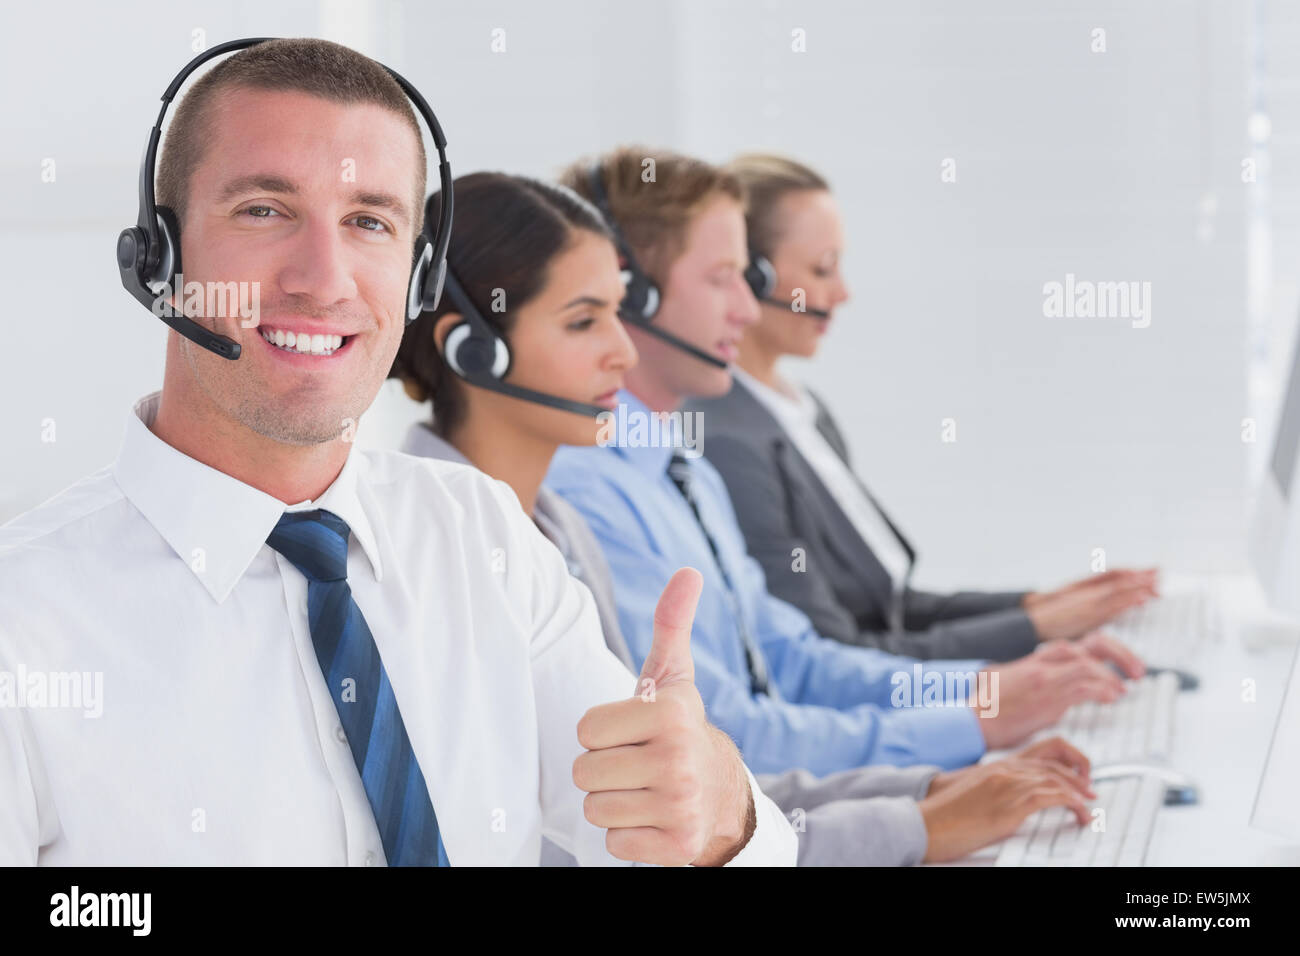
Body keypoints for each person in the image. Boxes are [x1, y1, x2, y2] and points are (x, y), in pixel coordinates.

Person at [0, 39, 795, 867]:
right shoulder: (23, 623)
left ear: (417, 278)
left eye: (369, 222)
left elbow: (653, 836)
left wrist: (723, 807)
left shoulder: (479, 533)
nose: (324, 277)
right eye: (264, 210)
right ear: (158, 256)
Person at [390, 170, 1099, 865]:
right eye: (584, 321)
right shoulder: (447, 555)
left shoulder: (553, 525)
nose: (624, 350)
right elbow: (644, 813)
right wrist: (912, 820)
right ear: (472, 351)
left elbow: (699, 774)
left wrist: (920, 790)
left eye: (616, 309)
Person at [546, 146, 1141, 779]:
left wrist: (981, 689)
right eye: (723, 279)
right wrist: (969, 723)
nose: (748, 311)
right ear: (630, 294)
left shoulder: (685, 469)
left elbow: (795, 661)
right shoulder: (589, 493)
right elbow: (720, 733)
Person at [687, 153, 1158, 661]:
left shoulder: (802, 410)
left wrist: (1040, 607)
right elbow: (838, 653)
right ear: (750, 277)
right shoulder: (729, 444)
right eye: (823, 269)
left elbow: (890, 607)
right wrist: (1034, 629)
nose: (842, 292)